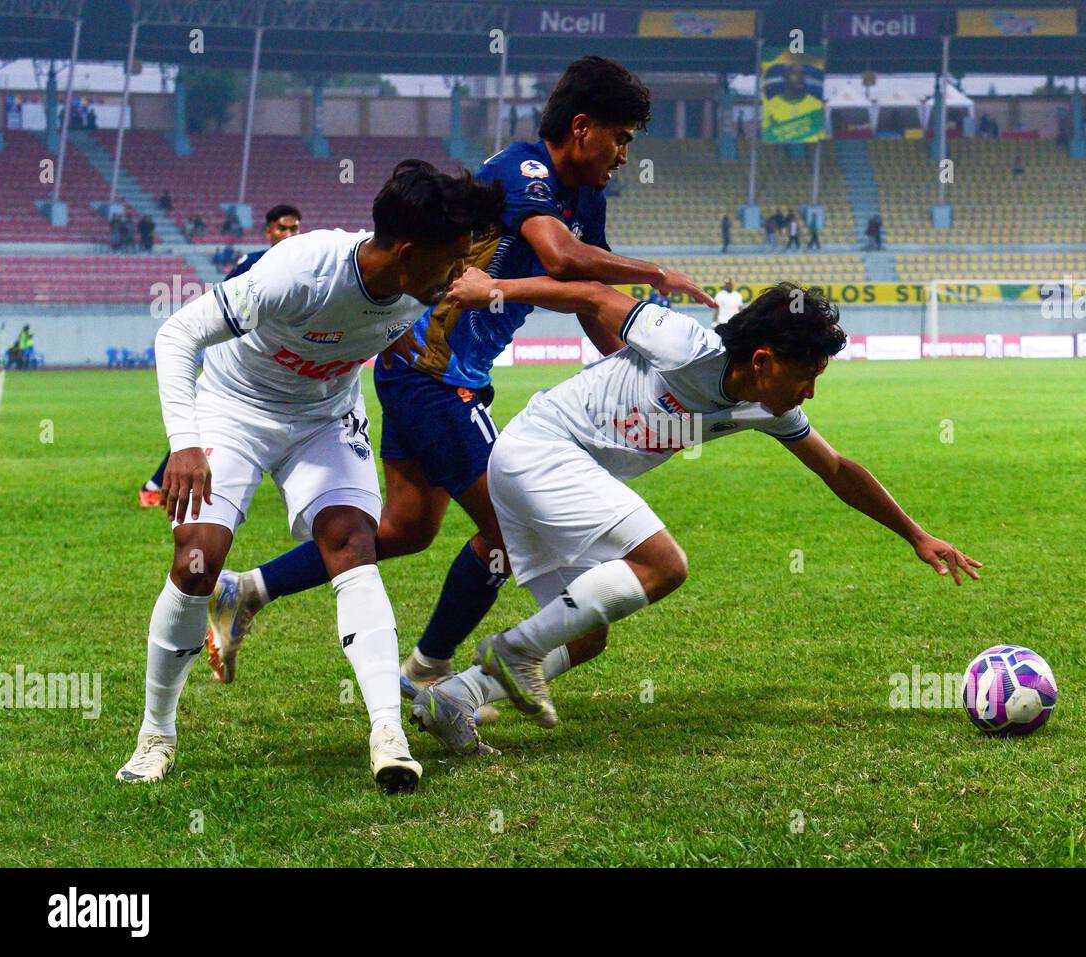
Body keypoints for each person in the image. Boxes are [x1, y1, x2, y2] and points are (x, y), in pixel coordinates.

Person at [201, 57, 714, 710]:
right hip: (433, 374)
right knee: (506, 530)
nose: (623, 153)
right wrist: (654, 272)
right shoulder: (526, 170)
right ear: (582, 128)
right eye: (622, 136)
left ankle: (245, 591)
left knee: (407, 527)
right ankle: (426, 668)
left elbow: (590, 299)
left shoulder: (584, 198)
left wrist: (636, 372)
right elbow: (561, 259)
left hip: (433, 374)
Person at [410, 271, 982, 753]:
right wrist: (495, 287)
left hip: (539, 471)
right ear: (763, 360)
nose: (809, 393)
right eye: (806, 376)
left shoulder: (764, 406)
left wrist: (915, 534)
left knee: (585, 637)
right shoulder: (687, 345)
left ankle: (453, 698)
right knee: (664, 565)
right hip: (546, 448)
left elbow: (836, 469)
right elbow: (592, 296)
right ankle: (513, 650)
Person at [113, 160, 503, 792]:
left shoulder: (419, 287)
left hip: (324, 415)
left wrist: (403, 346)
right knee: (196, 562)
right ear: (407, 252)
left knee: (354, 542)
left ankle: (388, 736)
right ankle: (156, 734)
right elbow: (178, 332)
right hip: (235, 408)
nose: (464, 273)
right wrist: (183, 446)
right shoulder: (300, 270)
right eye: (454, 259)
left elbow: (382, 328)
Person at [142, 206, 305, 508]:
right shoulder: (254, 264)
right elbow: (223, 305)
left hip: (270, 366)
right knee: (199, 422)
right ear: (268, 231)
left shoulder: (306, 264)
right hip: (235, 363)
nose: (290, 234)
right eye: (283, 228)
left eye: (295, 228)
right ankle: (157, 484)